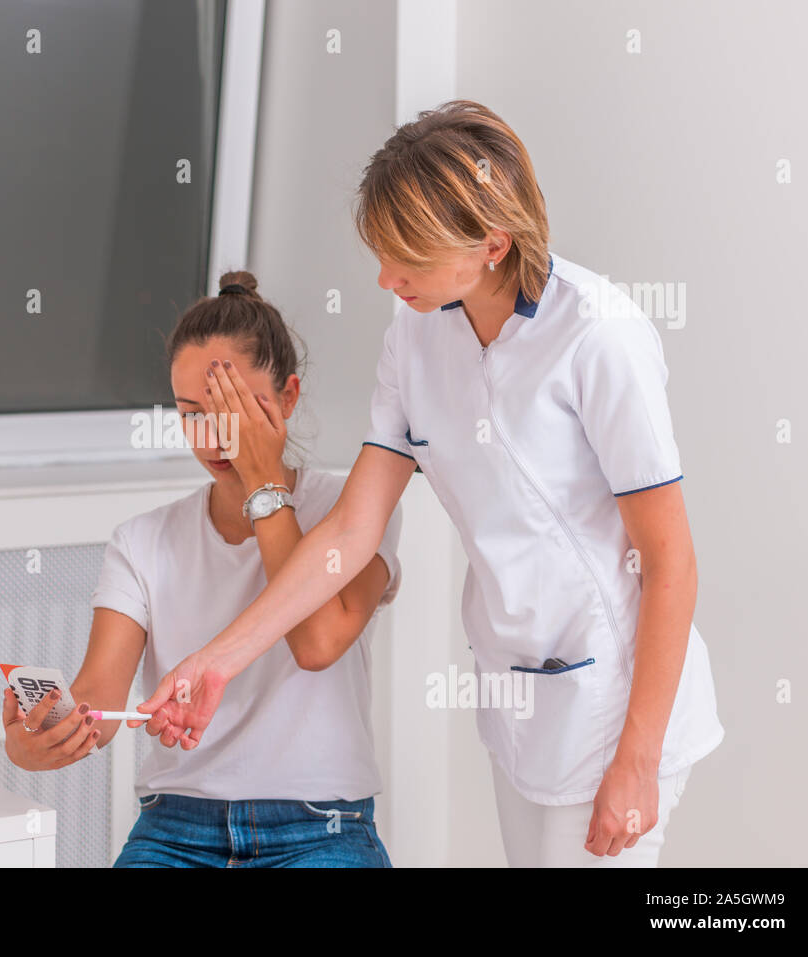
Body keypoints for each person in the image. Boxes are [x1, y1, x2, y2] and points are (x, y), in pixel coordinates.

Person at [138, 101, 724, 867]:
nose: (386, 278)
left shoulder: (599, 337)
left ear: (491, 243)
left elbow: (672, 562)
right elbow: (349, 533)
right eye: (381, 253)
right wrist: (215, 661)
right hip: (520, 691)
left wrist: (638, 760)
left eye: (406, 257)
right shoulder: (415, 334)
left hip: (617, 691)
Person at [2, 271, 402, 867]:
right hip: (175, 827)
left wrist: (264, 482)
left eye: (234, 409)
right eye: (192, 413)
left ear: (288, 398)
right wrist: (39, 739)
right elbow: (98, 701)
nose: (215, 438)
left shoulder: (354, 509)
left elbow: (316, 640)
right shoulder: (142, 541)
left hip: (322, 826)